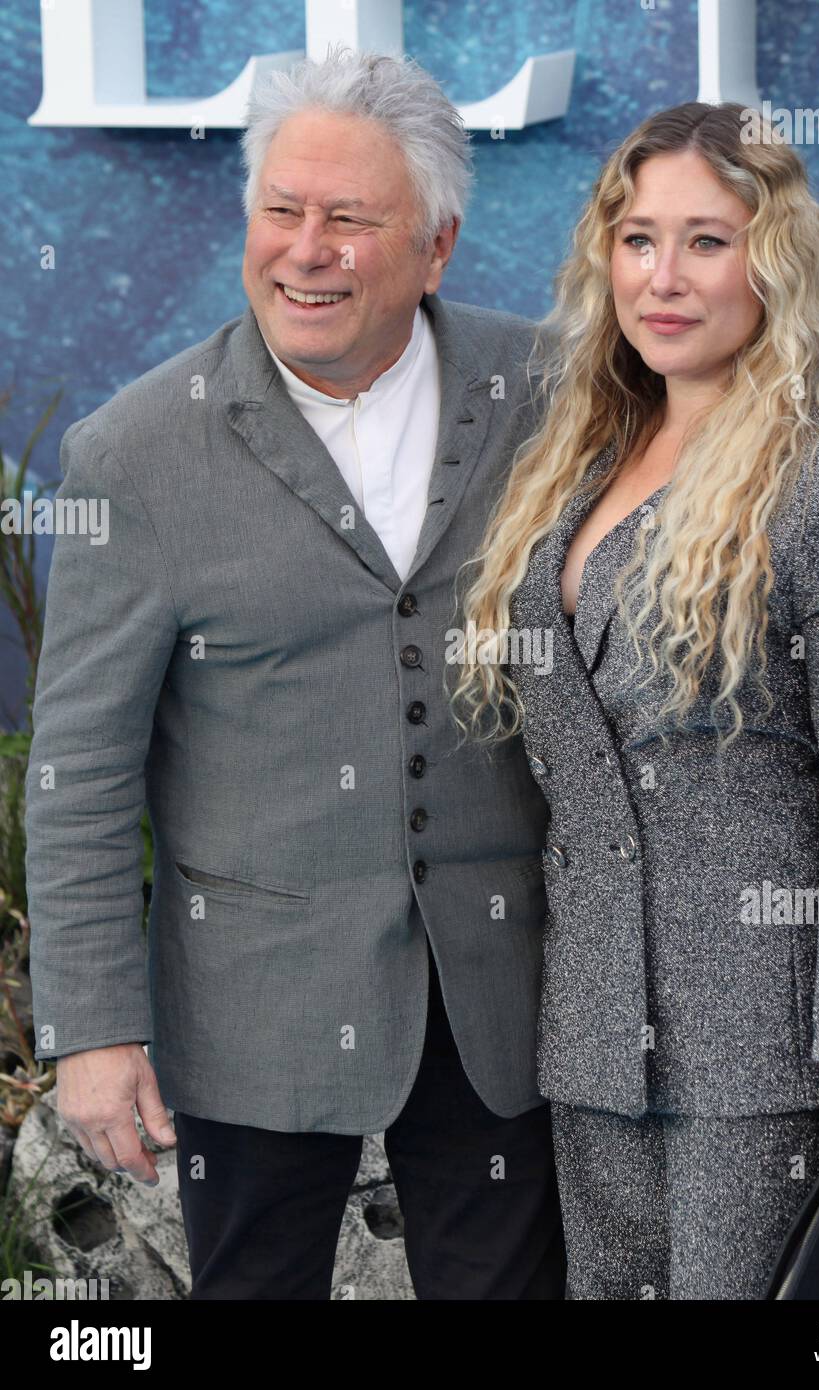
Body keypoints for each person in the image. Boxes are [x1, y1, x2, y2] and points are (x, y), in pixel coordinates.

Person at [25, 47, 567, 1300]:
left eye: (348, 219)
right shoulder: (134, 455)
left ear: (435, 246)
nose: (304, 249)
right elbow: (80, 775)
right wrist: (95, 1032)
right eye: (281, 210)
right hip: (251, 1002)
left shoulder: (549, 391)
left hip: (499, 995)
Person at [449, 101, 819, 1300]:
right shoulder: (577, 464)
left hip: (768, 1054)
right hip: (593, 1044)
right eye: (637, 240)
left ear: (772, 261)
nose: (663, 278)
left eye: (706, 241)